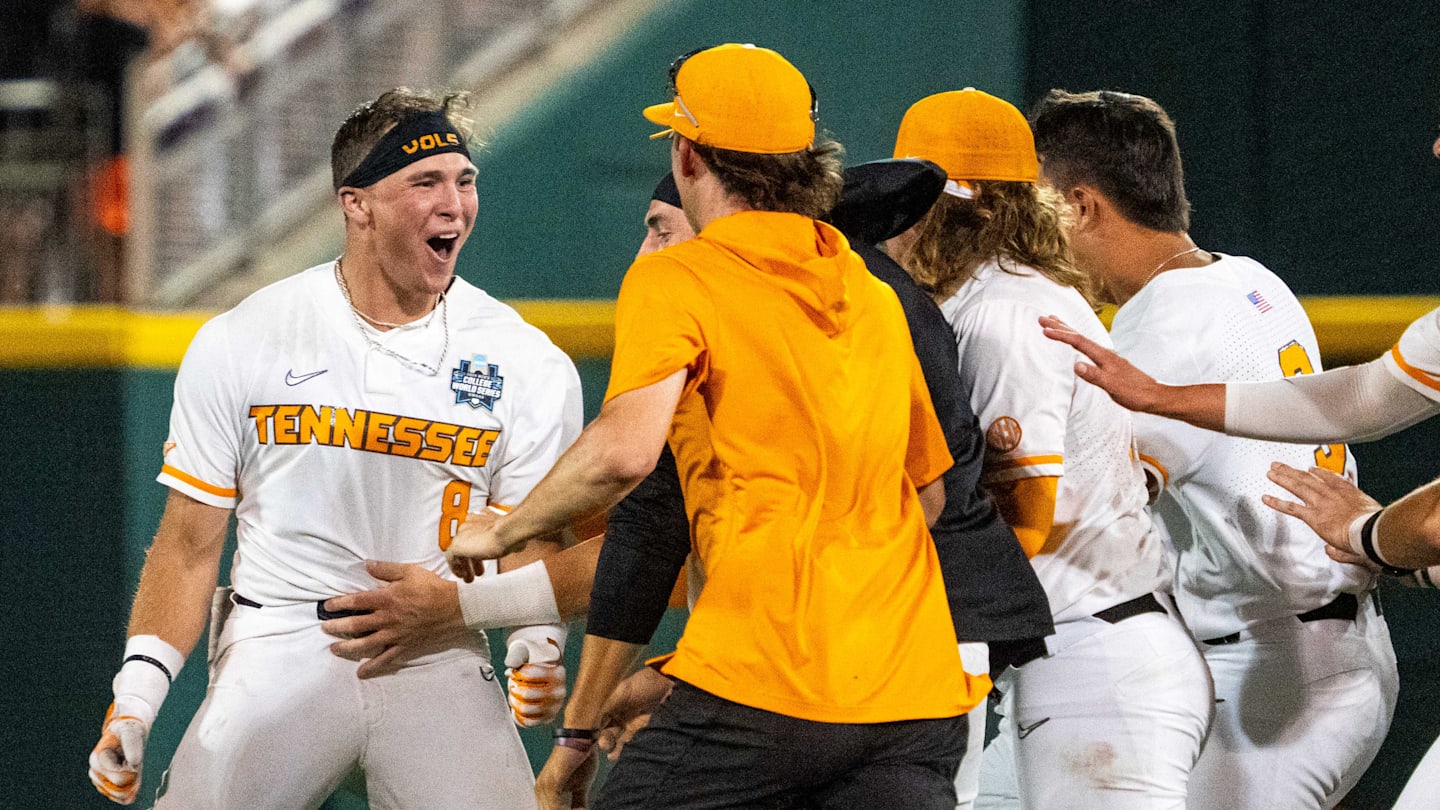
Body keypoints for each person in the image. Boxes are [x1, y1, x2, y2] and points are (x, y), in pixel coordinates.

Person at [449, 43, 981, 809]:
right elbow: (927, 500)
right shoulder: (864, 287)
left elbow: (624, 453)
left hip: (766, 683)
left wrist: (499, 535)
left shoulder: (680, 276)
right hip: (914, 695)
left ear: (689, 156)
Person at [86, 88, 581, 809]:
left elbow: (526, 531)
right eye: (426, 181)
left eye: (465, 180)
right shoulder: (246, 336)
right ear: (356, 203)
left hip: (435, 647)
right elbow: (188, 545)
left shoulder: (524, 360)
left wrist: (538, 638)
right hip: (282, 638)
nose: (456, 204)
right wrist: (133, 699)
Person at [1037, 116, 1440, 810]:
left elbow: (1090, 509)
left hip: (1275, 668)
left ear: (1081, 204)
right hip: (1307, 649)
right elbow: (1370, 397)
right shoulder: (1245, 279)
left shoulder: (1165, 324)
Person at [887, 88, 1212, 809]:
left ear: (950, 203)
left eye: (910, 197)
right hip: (1068, 655)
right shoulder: (984, 297)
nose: (894, 220)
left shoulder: (1009, 311)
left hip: (1100, 662)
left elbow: (1021, 516)